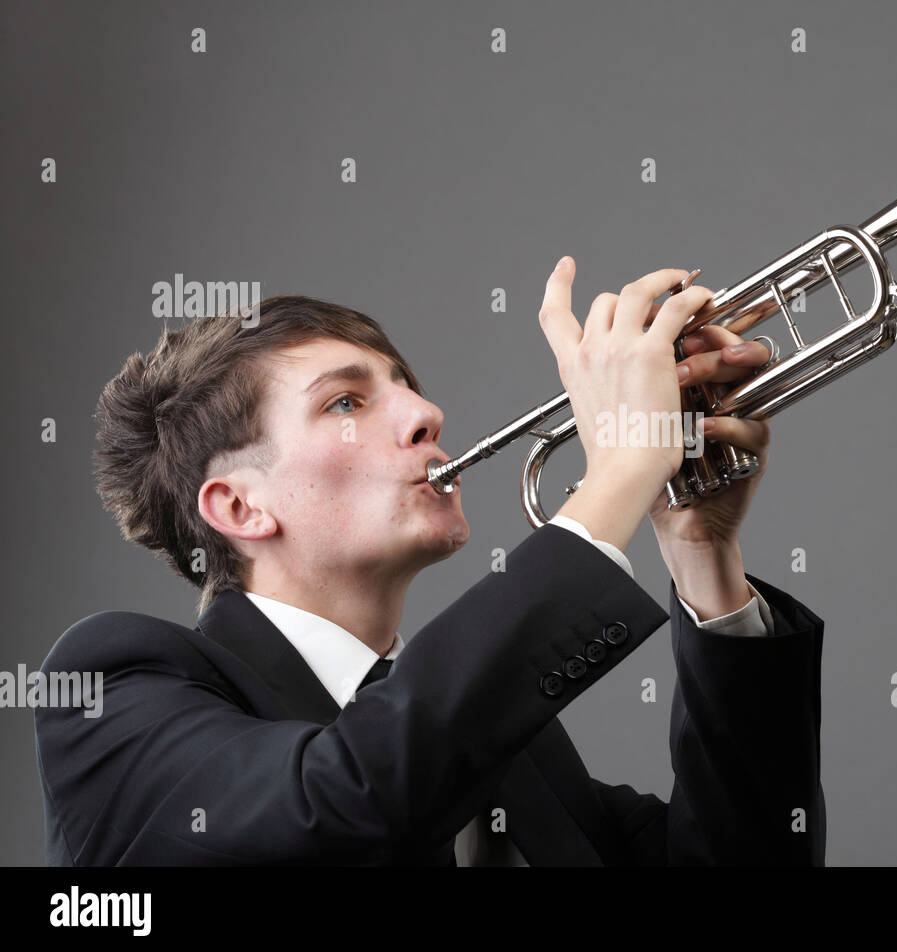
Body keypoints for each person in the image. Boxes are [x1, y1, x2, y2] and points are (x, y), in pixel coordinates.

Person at [34, 258, 827, 865]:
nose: (426, 413)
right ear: (240, 508)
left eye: (406, 387)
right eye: (346, 402)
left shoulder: (509, 750)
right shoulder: (116, 690)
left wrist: (702, 551)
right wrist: (619, 474)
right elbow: (341, 806)